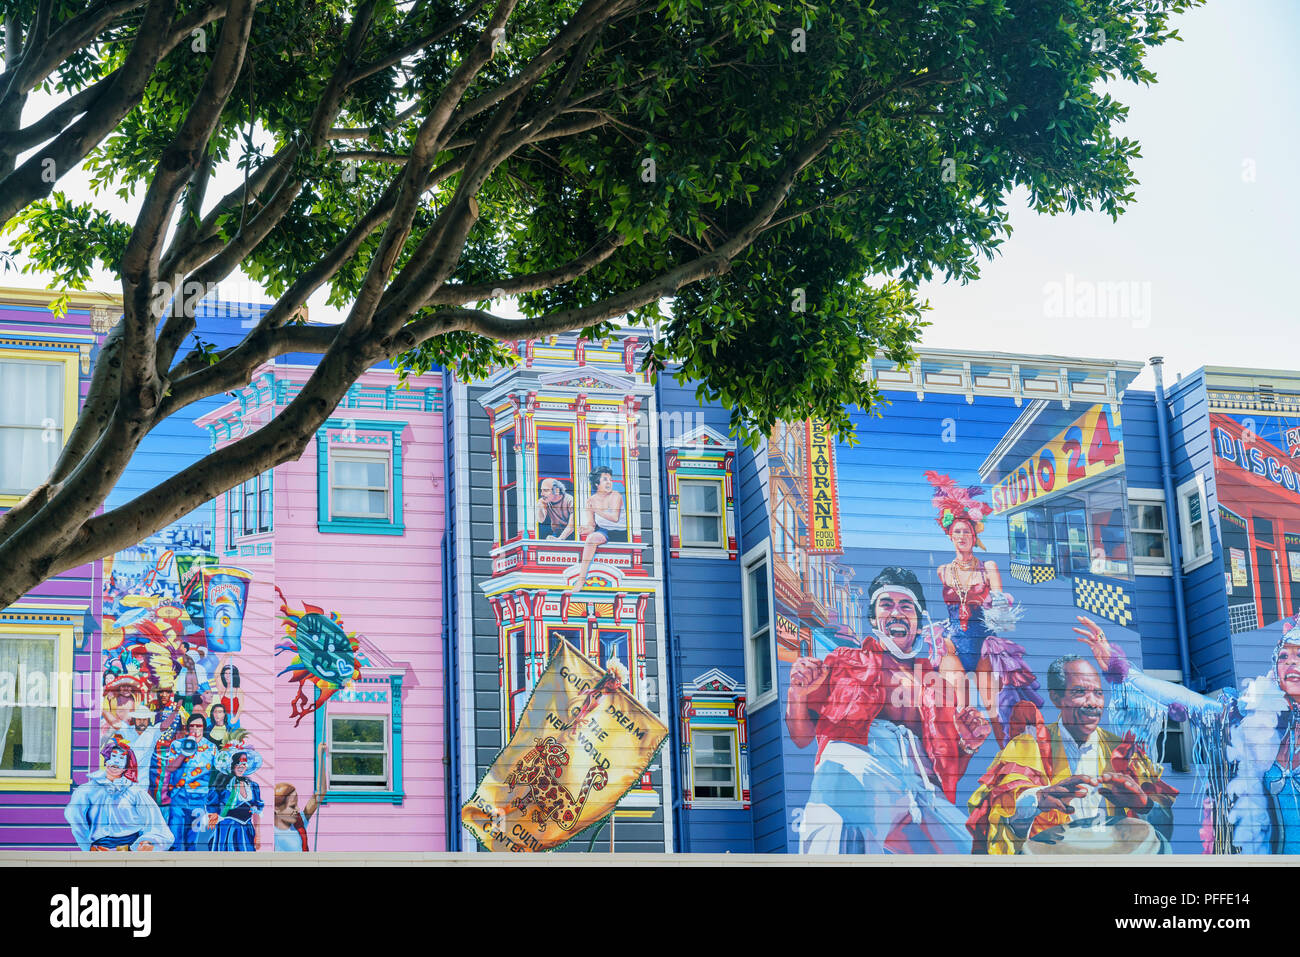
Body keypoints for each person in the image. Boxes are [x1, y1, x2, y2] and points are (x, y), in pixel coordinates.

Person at [785, 566, 991, 854]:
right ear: (874, 618)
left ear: (919, 622)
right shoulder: (844, 661)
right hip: (863, 768)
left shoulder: (937, 684)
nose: (896, 612)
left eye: (906, 605)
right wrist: (798, 693)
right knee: (841, 790)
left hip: (922, 790)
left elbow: (948, 770)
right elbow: (801, 737)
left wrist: (968, 745)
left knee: (971, 852)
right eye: (886, 604)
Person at [1078, 613, 1300, 854]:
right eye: (1284, 656)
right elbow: (1188, 700)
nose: (1291, 663)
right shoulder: (1248, 720)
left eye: (1299, 655)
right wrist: (1123, 670)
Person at [968, 649, 1177, 854]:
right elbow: (993, 813)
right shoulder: (1027, 745)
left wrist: (1145, 805)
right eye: (1080, 692)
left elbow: (1165, 829)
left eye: (1098, 693)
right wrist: (1035, 800)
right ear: (1056, 698)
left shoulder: (1125, 751)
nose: (1093, 703)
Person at [925, 470, 1042, 744]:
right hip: (953, 644)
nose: (962, 536)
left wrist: (998, 604)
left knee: (995, 711)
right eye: (957, 532)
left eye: (967, 531)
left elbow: (1002, 614)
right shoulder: (943, 570)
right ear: (950, 536)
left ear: (975, 535)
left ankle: (1008, 757)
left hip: (983, 646)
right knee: (959, 711)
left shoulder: (988, 567)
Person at [64, 737, 172, 851]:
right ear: (106, 759)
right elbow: (76, 819)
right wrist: (87, 846)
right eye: (113, 756)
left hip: (129, 851)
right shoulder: (87, 791)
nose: (116, 761)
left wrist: (147, 842)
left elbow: (156, 822)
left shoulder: (136, 792)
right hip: (98, 851)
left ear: (127, 766)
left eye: (121, 758)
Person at [161, 712, 219, 851]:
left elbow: (218, 776)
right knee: (174, 839)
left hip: (198, 799)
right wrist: (184, 752)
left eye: (198, 726)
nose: (195, 729)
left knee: (192, 841)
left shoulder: (211, 748)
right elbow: (170, 767)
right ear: (188, 728)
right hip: (178, 798)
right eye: (192, 726)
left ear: (203, 728)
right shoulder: (177, 744)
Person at [567, 467, 625, 590]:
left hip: (619, 531)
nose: (609, 482)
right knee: (591, 538)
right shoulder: (591, 500)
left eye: (610, 479)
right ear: (597, 483)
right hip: (603, 530)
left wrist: (596, 510)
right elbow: (592, 525)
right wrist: (586, 529)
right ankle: (581, 580)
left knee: (593, 538)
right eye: (605, 479)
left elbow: (615, 518)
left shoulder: (616, 496)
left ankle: (581, 580)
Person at [207, 749, 264, 851]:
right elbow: (212, 805)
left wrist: (257, 835)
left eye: (244, 763)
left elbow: (256, 812)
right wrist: (214, 814)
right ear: (231, 764)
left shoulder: (253, 786)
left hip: (247, 829)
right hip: (228, 830)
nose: (242, 766)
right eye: (238, 763)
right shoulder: (222, 786)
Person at [274, 745, 328, 851]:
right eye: (292, 806)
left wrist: (321, 756)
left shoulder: (299, 822)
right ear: (276, 808)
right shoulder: (270, 832)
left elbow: (320, 794)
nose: (298, 809)